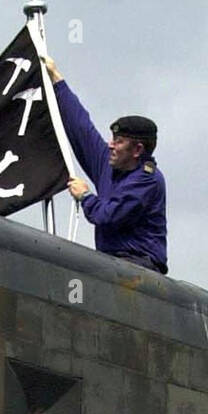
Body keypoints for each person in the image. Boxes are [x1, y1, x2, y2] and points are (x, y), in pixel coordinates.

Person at [44, 56, 168, 275]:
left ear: (137, 150)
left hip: (140, 267)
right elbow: (81, 128)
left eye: (119, 142)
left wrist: (85, 197)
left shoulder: (148, 181)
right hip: (111, 261)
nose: (111, 145)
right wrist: (56, 79)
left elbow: (107, 215)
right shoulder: (110, 165)